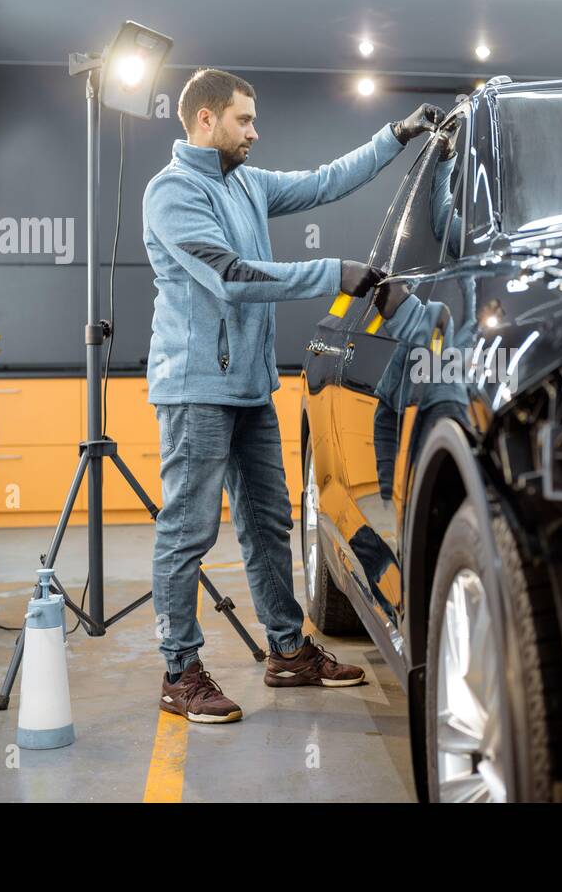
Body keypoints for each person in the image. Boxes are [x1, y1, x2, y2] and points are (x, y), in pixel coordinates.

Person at [141, 67, 444, 722]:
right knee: (188, 531)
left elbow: (325, 180)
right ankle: (179, 670)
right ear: (205, 119)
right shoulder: (171, 194)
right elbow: (231, 276)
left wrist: (395, 135)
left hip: (249, 389)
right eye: (243, 119)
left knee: (269, 522)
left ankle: (287, 651)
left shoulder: (247, 184)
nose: (254, 130)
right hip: (195, 389)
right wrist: (336, 274)